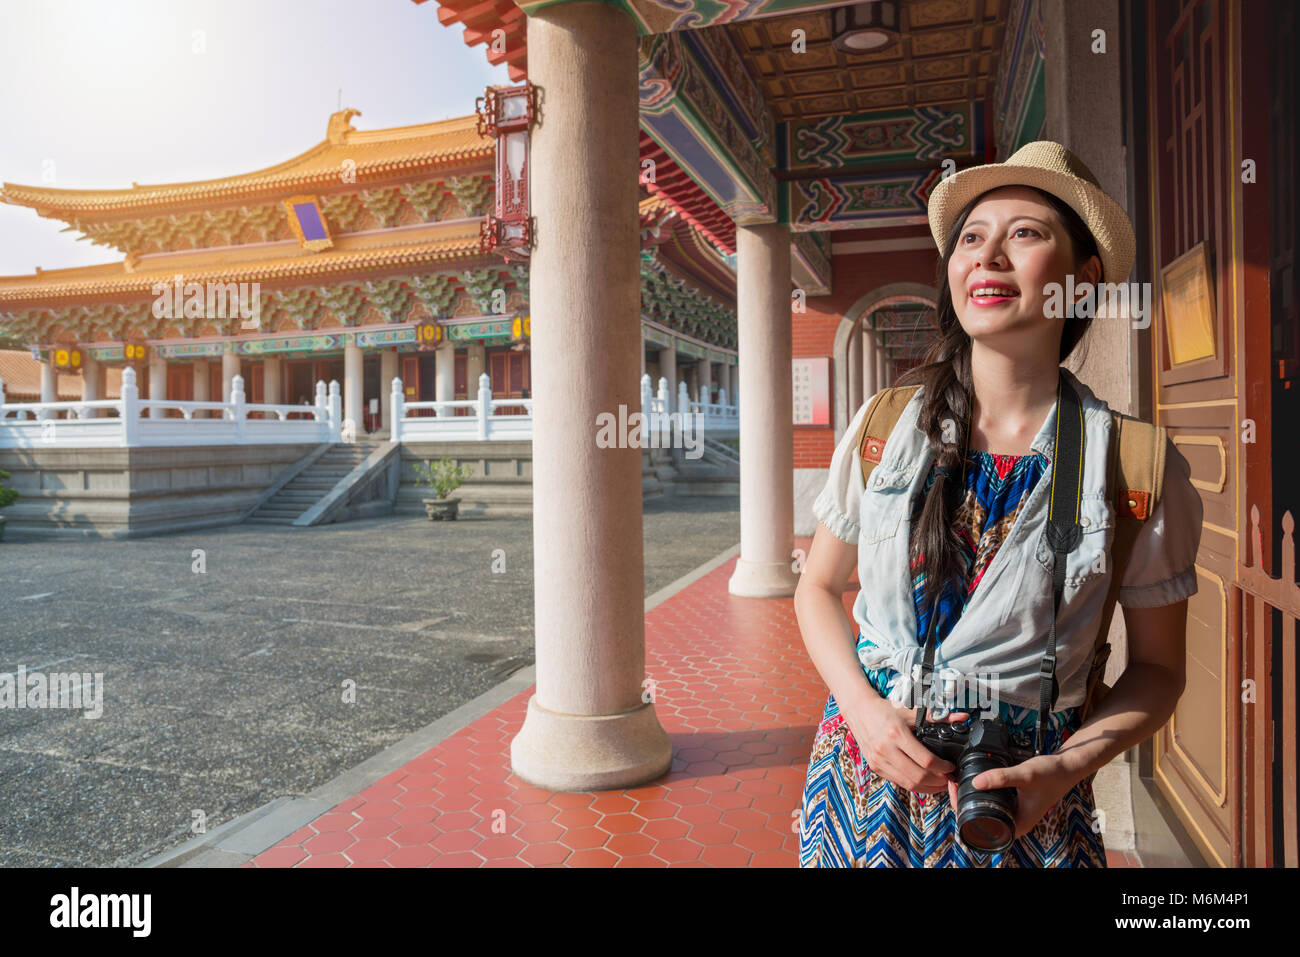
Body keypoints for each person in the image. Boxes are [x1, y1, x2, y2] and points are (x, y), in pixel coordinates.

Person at [794, 141, 1203, 867]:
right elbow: (818, 589)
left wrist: (1066, 768)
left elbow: (1159, 671)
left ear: (1081, 282)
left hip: (1025, 808)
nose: (988, 256)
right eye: (972, 238)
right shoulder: (886, 424)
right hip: (862, 787)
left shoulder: (1132, 463)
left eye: (1025, 234)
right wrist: (865, 713)